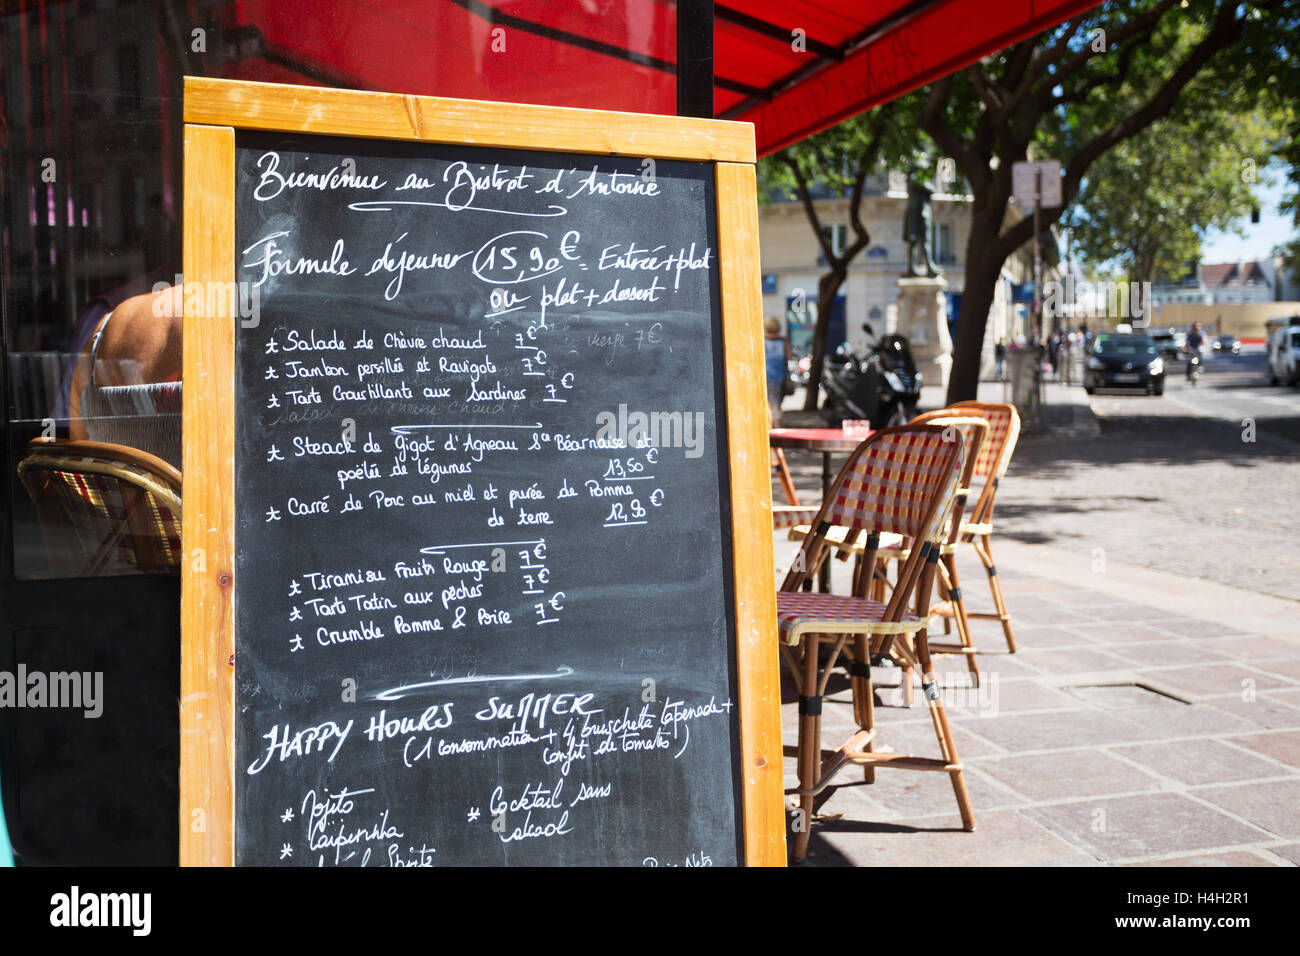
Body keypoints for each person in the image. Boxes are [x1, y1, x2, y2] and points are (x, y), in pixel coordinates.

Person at [764, 316, 791, 427]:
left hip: (765, 375)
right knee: (776, 403)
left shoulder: (762, 340)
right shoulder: (783, 341)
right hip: (779, 377)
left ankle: (769, 425)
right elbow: (789, 357)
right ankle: (776, 425)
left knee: (767, 402)